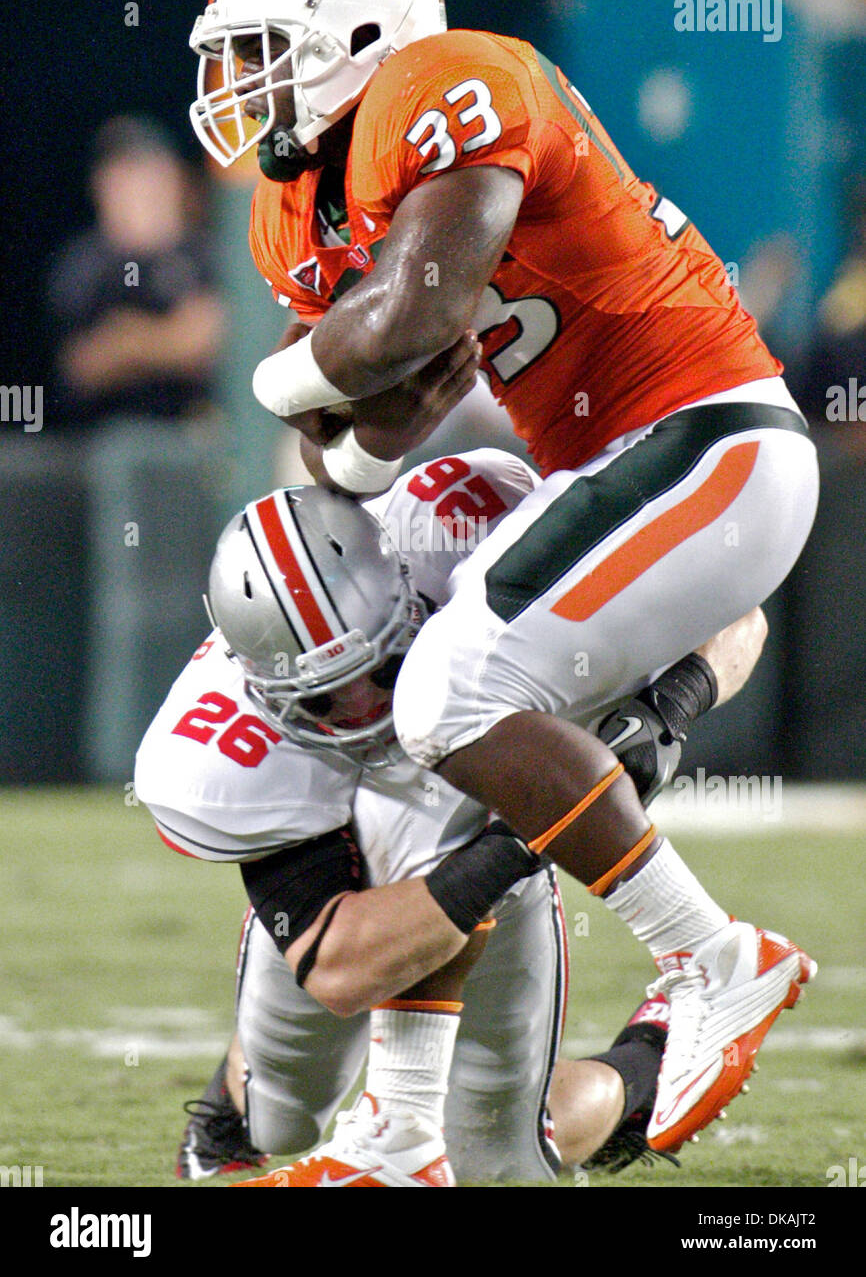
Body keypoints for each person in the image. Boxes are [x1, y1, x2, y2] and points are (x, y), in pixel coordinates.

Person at [187, 0, 818, 1153]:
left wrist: (300, 377)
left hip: (705, 434)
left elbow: (400, 322)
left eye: (261, 49)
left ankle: (711, 958)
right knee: (435, 743)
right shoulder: (298, 201)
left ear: (355, 32)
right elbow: (345, 445)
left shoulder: (453, 79)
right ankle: (401, 1128)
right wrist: (365, 421)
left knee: (444, 695)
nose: (237, 85)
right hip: (606, 469)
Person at [135, 449, 760, 1186]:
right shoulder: (216, 755)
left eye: (384, 669)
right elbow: (343, 969)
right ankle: (234, 1097)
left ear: (409, 596)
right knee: (281, 1114)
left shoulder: (466, 532)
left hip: (485, 833)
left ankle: (647, 1058)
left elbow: (732, 605)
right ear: (262, 687)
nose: (369, 709)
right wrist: (533, 828)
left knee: (498, 1166)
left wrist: (668, 707)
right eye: (328, 698)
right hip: (349, 898)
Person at [47, 115, 223, 426]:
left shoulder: (204, 251)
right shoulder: (86, 264)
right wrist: (172, 338)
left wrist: (133, 339)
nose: (139, 189)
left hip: (195, 429)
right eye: (123, 174)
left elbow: (212, 341)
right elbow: (82, 367)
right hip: (110, 436)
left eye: (149, 173)